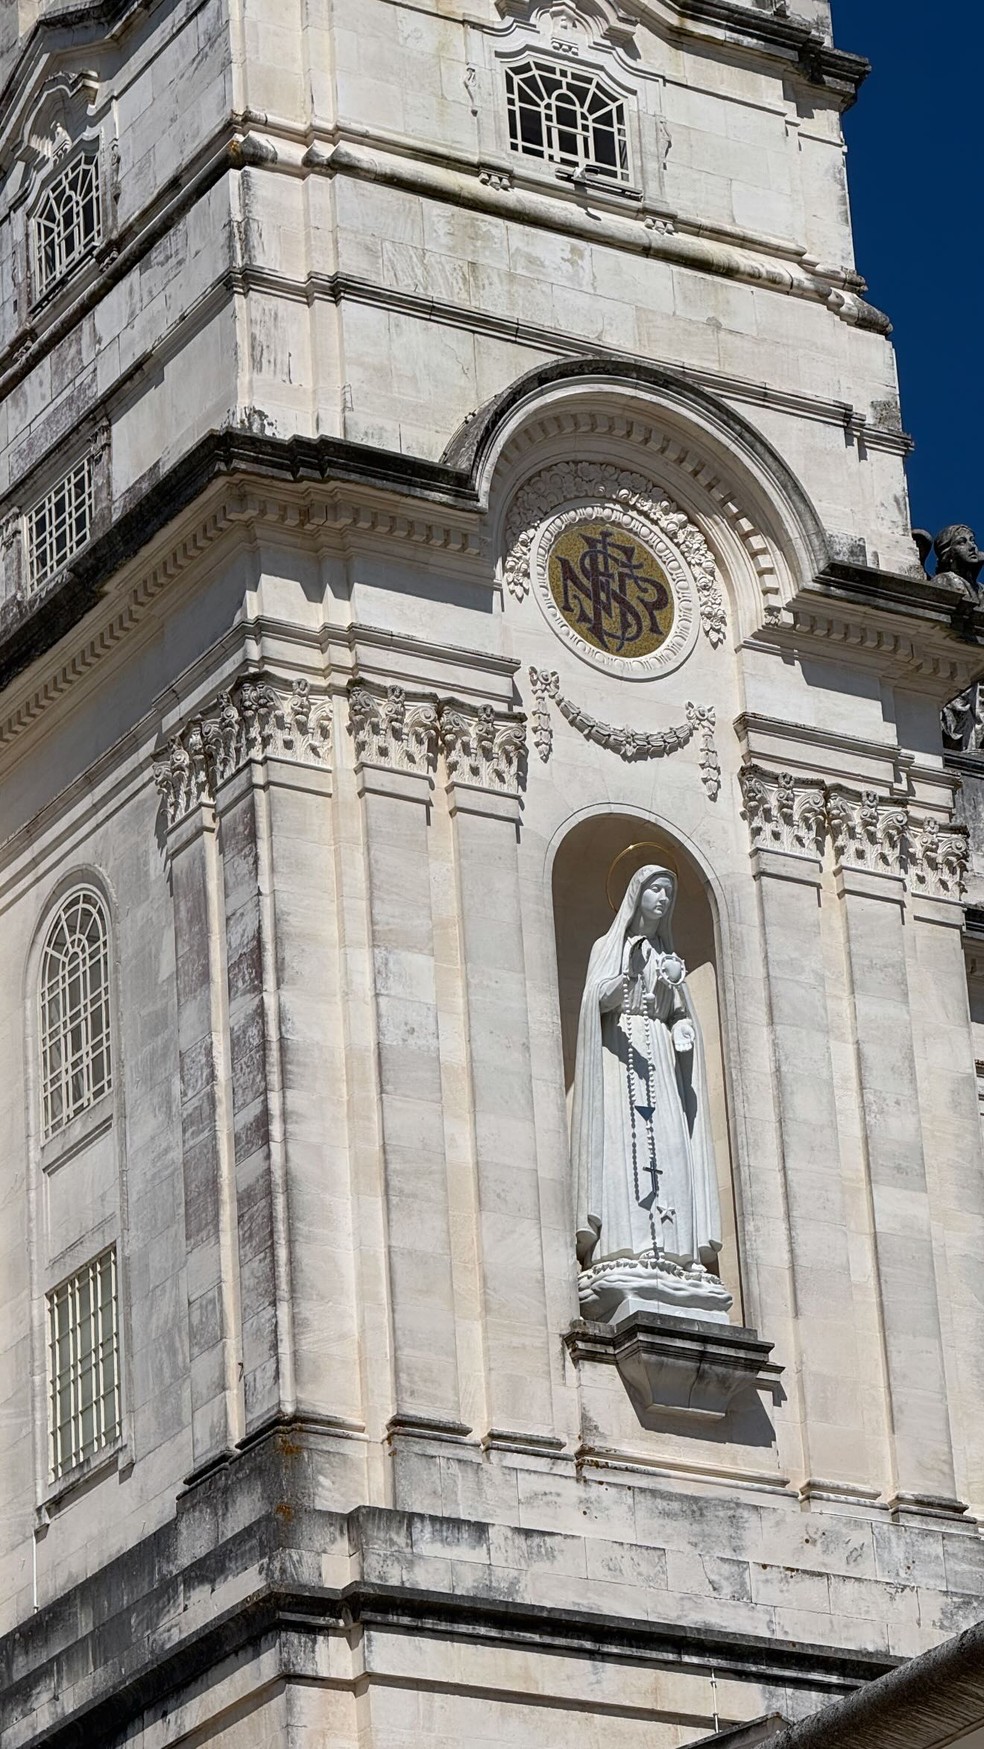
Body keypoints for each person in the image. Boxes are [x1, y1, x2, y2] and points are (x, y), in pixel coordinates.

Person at [570, 864, 729, 1320]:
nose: (662, 899)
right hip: (620, 1057)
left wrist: (681, 1030)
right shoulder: (608, 948)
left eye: (669, 893)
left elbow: (681, 1013)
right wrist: (619, 985)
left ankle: (677, 1257)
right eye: (655, 890)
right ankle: (625, 1249)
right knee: (625, 1152)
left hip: (658, 1058)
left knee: (670, 1152)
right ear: (636, 894)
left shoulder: (669, 958)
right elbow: (594, 1002)